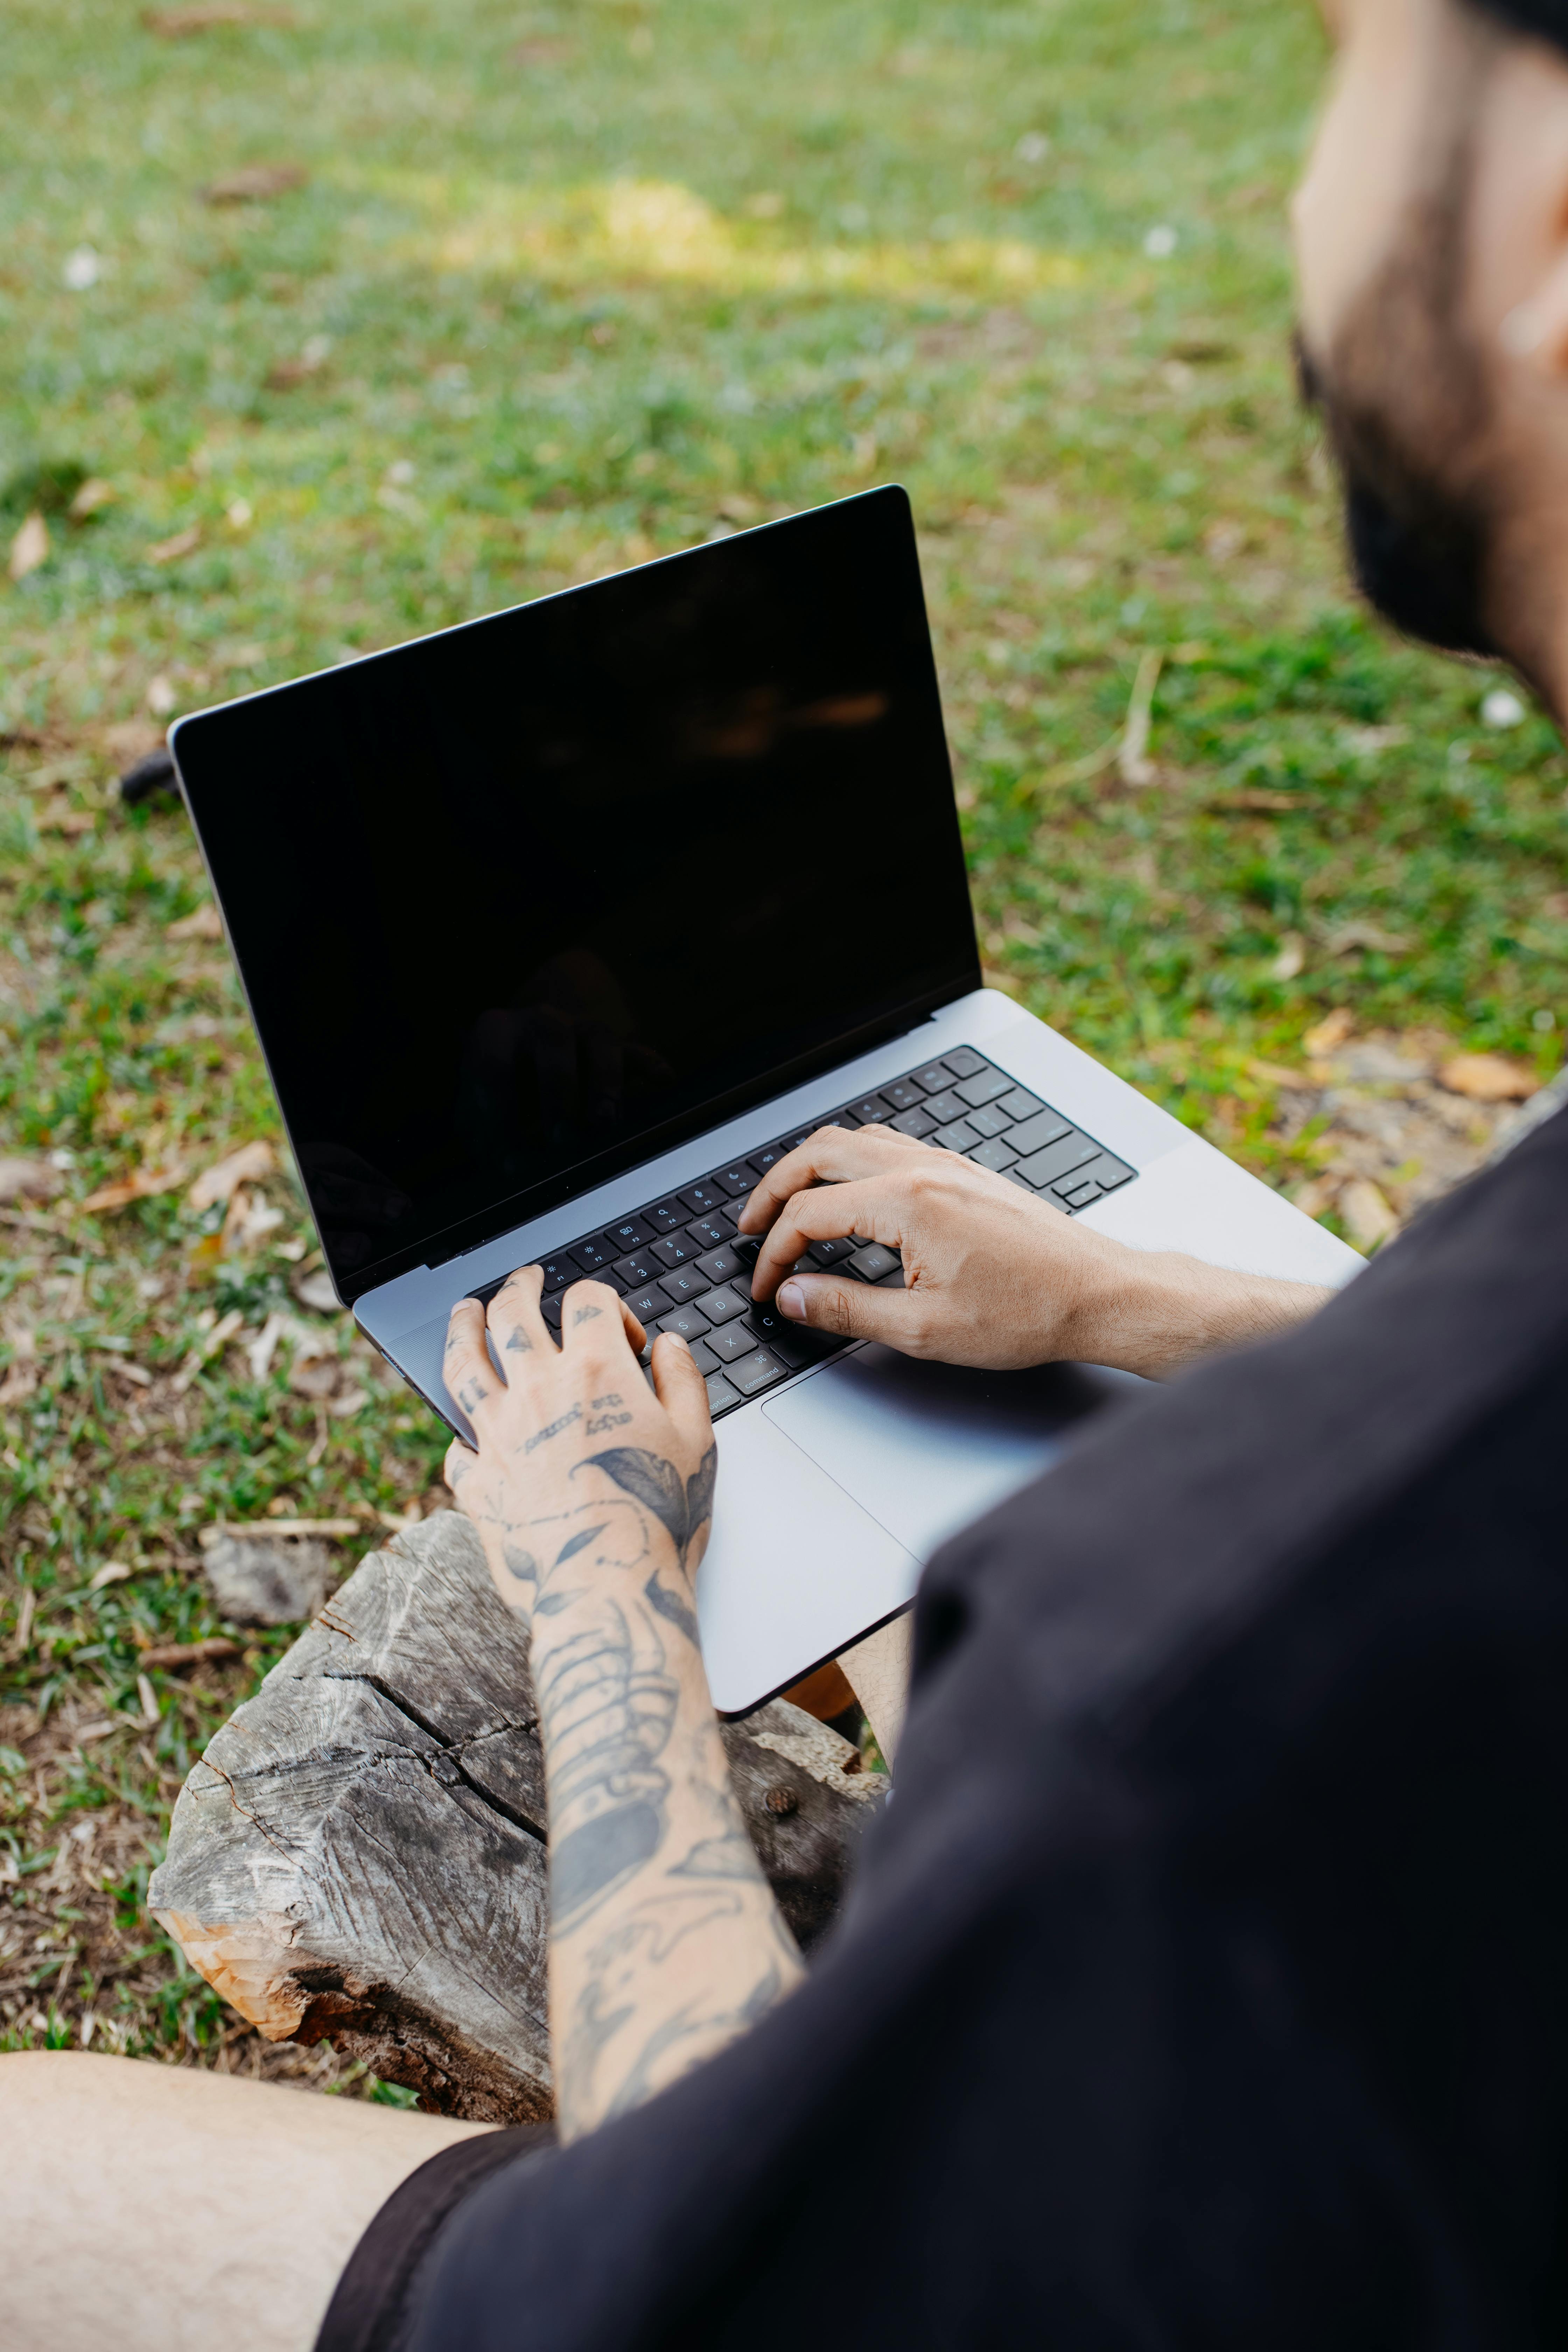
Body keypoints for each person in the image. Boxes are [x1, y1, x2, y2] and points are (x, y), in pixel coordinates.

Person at [7, 0, 1568, 2335]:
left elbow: (708, 2255)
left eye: (1351, 45)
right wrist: (1120, 1300)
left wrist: (603, 1580)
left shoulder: (1162, 1668)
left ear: (1549, 229)